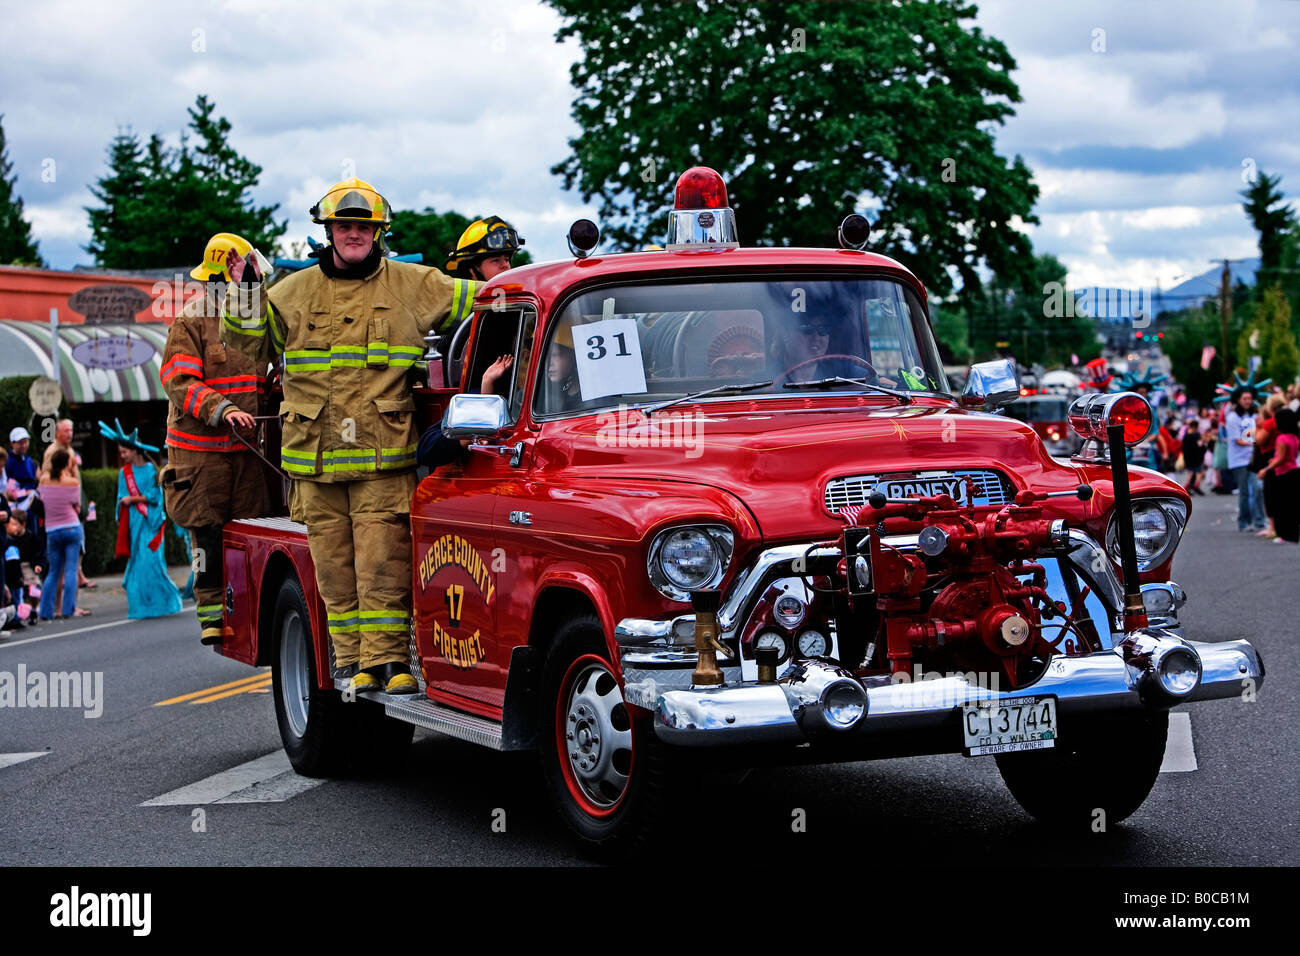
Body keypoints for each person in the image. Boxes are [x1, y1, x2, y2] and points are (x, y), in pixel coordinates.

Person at [222, 178, 479, 695]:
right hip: (315, 464)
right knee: (335, 571)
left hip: (383, 460)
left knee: (383, 563)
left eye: (364, 226)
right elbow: (243, 344)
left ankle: (389, 662)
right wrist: (245, 290)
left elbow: (489, 297)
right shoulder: (290, 293)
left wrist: (563, 278)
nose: (355, 234)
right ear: (329, 231)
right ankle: (353, 664)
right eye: (345, 226)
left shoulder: (413, 284)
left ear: (378, 232)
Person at [159, 232, 272, 645]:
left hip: (245, 452)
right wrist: (222, 409)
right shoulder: (190, 321)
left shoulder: (255, 318)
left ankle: (247, 612)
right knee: (207, 533)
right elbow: (179, 382)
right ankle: (210, 616)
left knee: (251, 529)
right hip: (200, 458)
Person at [100, 421, 183, 620]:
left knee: (152, 563)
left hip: (150, 522)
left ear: (134, 450)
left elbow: (155, 497)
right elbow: (121, 496)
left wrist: (134, 499)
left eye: (124, 452)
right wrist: (124, 505)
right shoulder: (124, 473)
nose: (122, 456)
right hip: (134, 523)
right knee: (137, 564)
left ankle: (165, 601)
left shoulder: (151, 470)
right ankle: (142, 606)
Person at [37, 449, 86, 620]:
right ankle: (68, 609)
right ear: (67, 464)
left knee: (53, 572)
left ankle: (45, 611)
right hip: (71, 527)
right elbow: (77, 507)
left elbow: (41, 499)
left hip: (52, 529)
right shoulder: (72, 482)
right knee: (71, 569)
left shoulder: (43, 481)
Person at [1225, 387, 1266, 532]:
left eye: (1250, 398)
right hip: (1239, 459)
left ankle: (1260, 521)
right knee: (1244, 492)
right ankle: (1244, 522)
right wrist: (1257, 440)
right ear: (1238, 400)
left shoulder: (1253, 415)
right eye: (1245, 399)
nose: (1248, 401)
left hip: (1253, 458)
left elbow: (1258, 433)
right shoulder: (1232, 417)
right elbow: (1239, 440)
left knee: (1258, 489)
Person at [444, 216, 524, 284]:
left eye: (507, 259)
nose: (505, 265)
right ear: (472, 271)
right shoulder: (452, 302)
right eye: (496, 260)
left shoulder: (524, 299)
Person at [1263, 408, 1300, 543]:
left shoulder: (1282, 438)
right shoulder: (1295, 437)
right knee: (1292, 506)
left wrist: (1267, 469)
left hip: (1284, 474)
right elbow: (1292, 456)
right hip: (1294, 471)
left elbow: (1281, 458)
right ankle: (1293, 533)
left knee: (1281, 506)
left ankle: (1284, 534)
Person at [1181, 419, 1205, 495]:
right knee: (1199, 472)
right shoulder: (1196, 435)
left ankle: (1185, 488)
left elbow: (1183, 447)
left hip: (1188, 458)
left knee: (1190, 473)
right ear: (1195, 427)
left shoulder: (1186, 436)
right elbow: (1200, 445)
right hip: (1196, 457)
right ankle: (1196, 486)